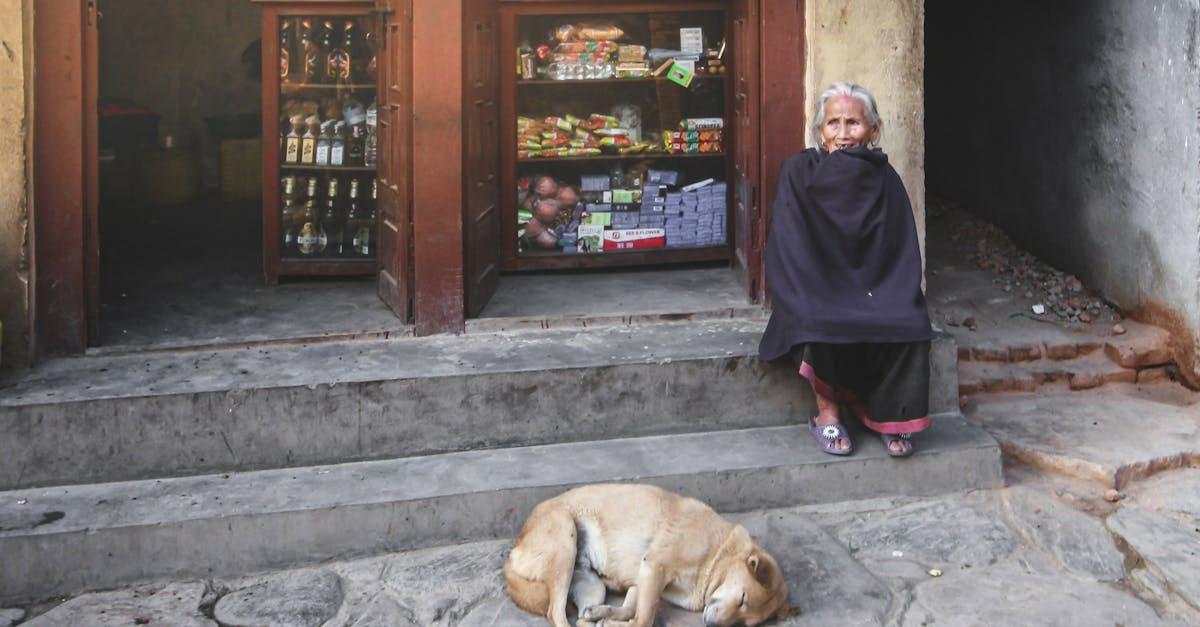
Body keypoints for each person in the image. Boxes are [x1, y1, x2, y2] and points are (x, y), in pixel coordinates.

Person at [758, 82, 932, 457]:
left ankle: (891, 416)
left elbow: (900, 248)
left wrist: (894, 292)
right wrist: (811, 290)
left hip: (873, 285)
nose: (843, 134)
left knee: (909, 317)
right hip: (815, 283)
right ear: (820, 132)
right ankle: (827, 415)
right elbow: (788, 244)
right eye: (833, 123)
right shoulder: (797, 171)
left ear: (874, 129)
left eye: (853, 123)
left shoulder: (886, 178)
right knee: (815, 314)